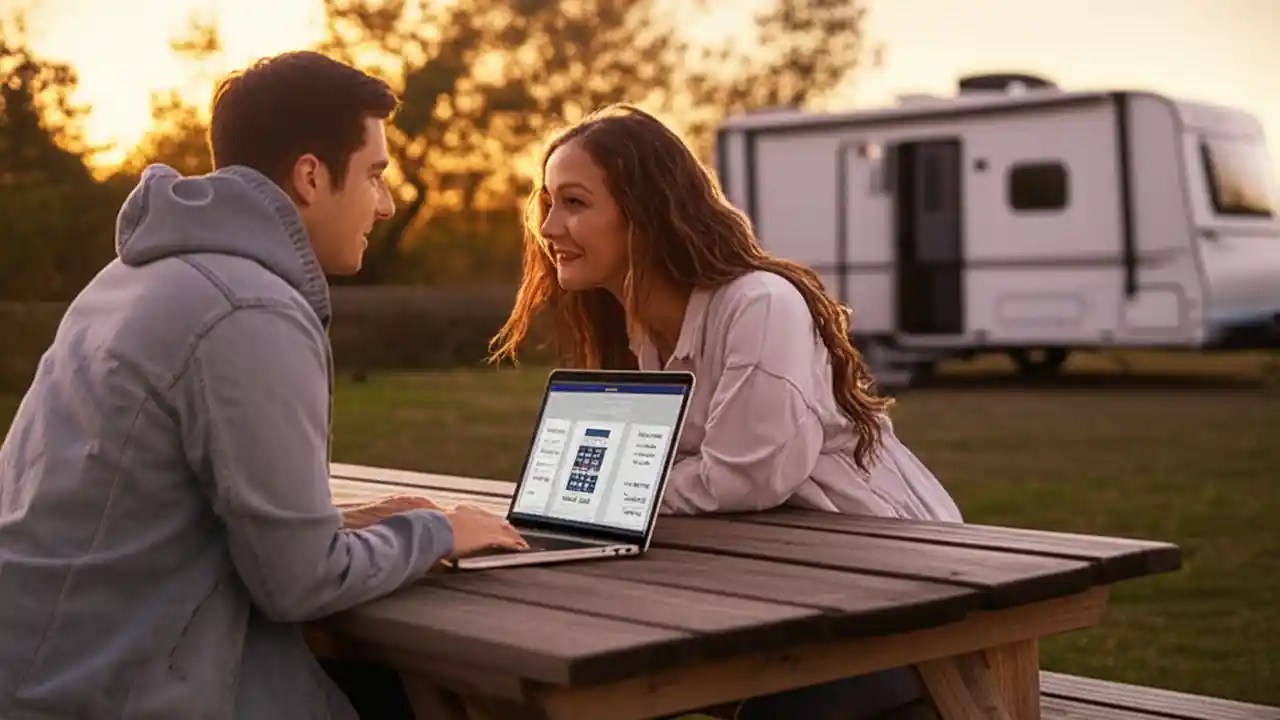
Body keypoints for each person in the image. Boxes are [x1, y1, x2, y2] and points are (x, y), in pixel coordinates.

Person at [0, 51, 526, 719]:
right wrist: (440, 533)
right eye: (374, 175)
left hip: (39, 665)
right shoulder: (250, 308)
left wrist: (339, 524)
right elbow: (301, 582)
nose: (387, 204)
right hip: (103, 692)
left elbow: (149, 510)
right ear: (310, 176)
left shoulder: (131, 280)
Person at [490, 104, 962, 719]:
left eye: (575, 203)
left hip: (901, 589)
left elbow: (748, 477)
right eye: (547, 203)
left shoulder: (757, 304)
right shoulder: (637, 331)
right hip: (785, 578)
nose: (549, 226)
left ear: (646, 214)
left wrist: (626, 491)